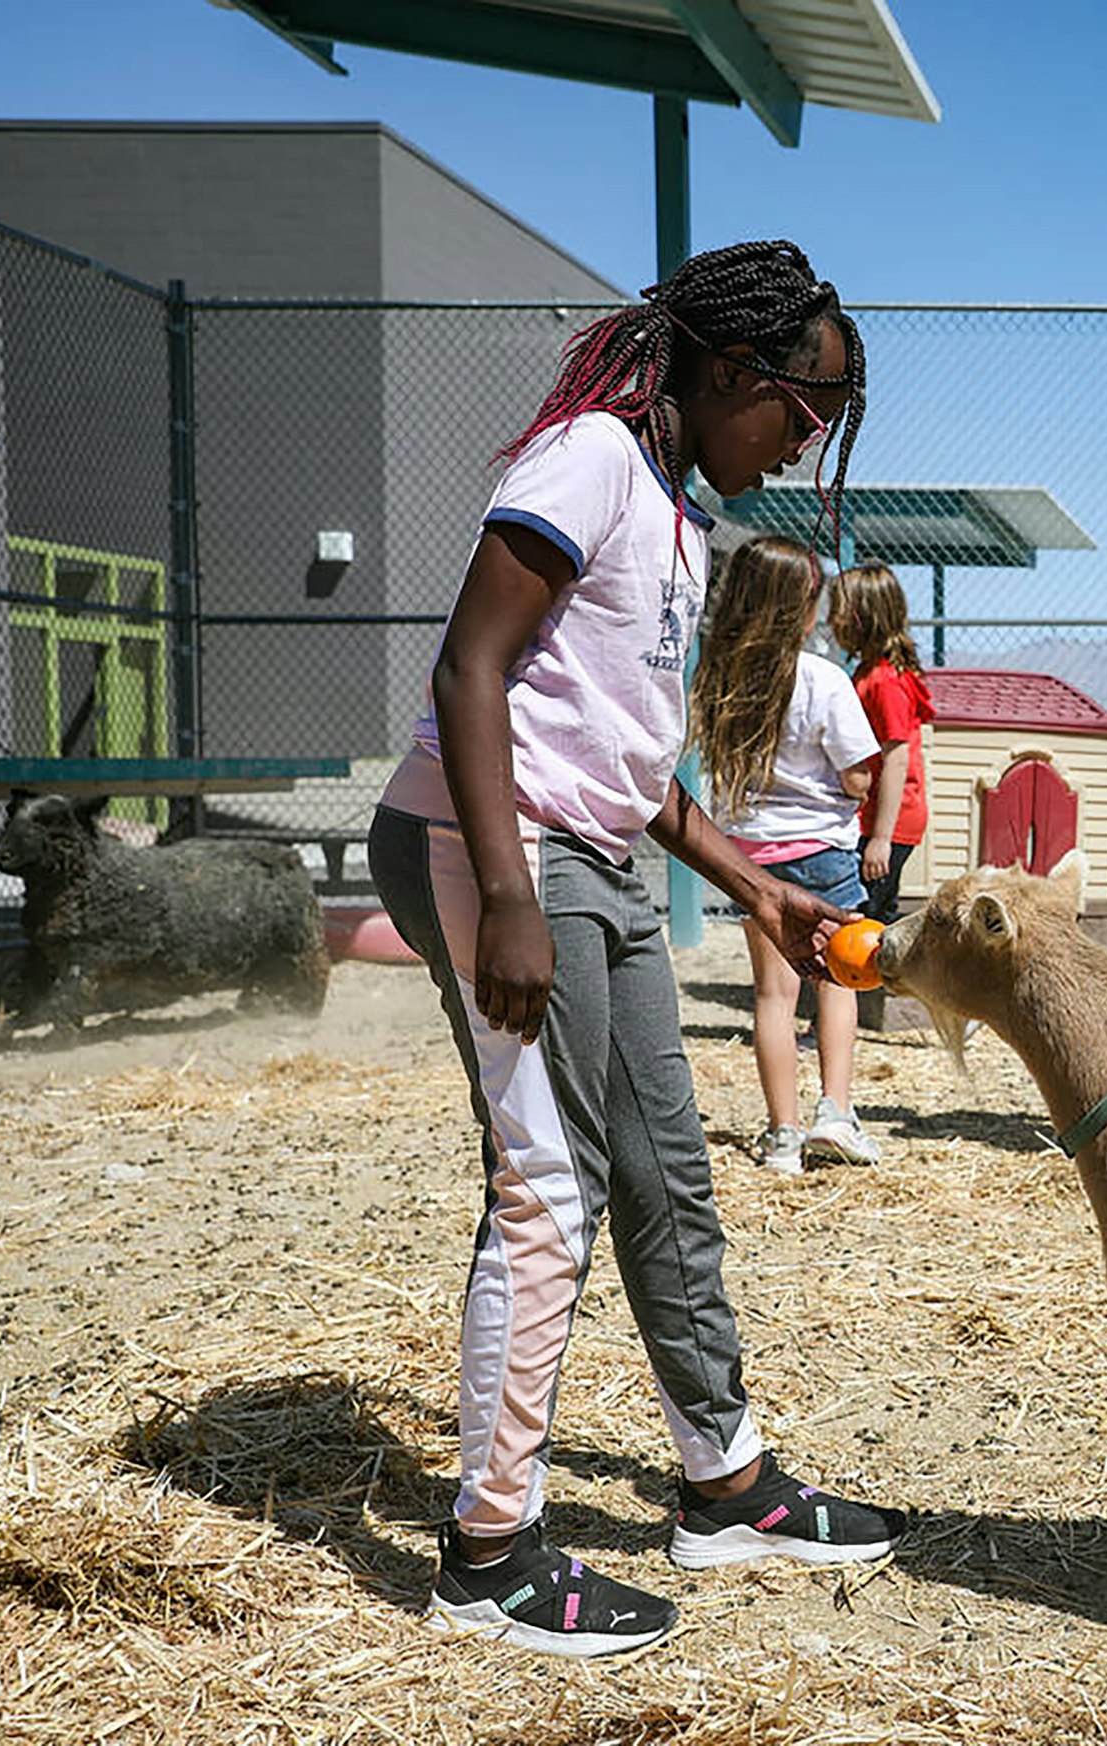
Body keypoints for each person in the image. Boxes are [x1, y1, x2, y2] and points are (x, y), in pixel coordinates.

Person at [366, 239, 902, 1661]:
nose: (809, 438)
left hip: (581, 849)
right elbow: (469, 665)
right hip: (496, 850)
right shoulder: (591, 459)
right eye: (804, 406)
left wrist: (764, 887)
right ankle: (489, 1550)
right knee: (549, 1183)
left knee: (666, 1163)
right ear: (732, 369)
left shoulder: (677, 513)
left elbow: (624, 759)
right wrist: (506, 889)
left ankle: (723, 1480)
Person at [691, 535, 886, 1175]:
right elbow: (860, 775)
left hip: (751, 860)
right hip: (823, 852)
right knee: (839, 981)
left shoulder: (720, 677)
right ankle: (836, 1110)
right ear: (801, 607)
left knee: (773, 997)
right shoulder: (823, 678)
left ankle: (782, 1135)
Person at [824, 561, 932, 926]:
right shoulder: (869, 673)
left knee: (869, 915)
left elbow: (897, 760)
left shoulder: (885, 682)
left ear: (862, 618)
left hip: (888, 822)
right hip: (874, 819)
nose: (831, 622)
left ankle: (866, 982)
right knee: (871, 909)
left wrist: (881, 839)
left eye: (838, 612)